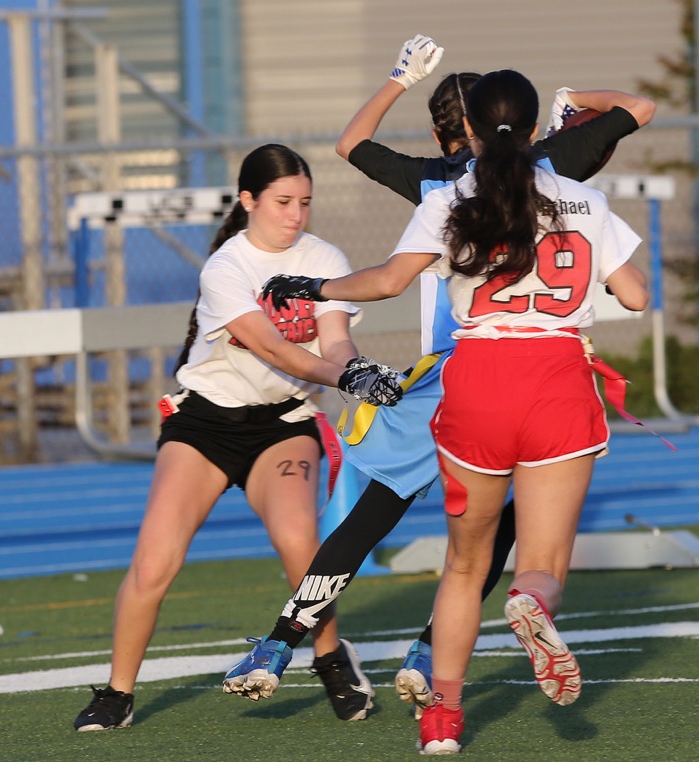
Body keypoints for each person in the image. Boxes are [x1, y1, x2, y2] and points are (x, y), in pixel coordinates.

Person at [221, 34, 655, 722]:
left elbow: (360, 177)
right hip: (546, 372)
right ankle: (431, 652)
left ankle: (280, 643)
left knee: (377, 517)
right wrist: (581, 102)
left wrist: (396, 78)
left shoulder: (438, 186)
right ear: (533, 126)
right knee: (515, 529)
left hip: (450, 379)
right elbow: (640, 112)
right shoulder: (564, 172)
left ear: (456, 130)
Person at [72, 144, 404, 731]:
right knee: (154, 562)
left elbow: (334, 344)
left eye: (304, 202)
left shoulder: (324, 255)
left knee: (301, 546)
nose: (295, 215)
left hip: (283, 423)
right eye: (281, 202)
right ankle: (117, 694)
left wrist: (353, 368)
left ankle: (330, 657)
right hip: (205, 423)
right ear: (248, 200)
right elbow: (275, 348)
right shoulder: (226, 267)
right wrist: (344, 375)